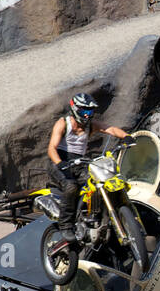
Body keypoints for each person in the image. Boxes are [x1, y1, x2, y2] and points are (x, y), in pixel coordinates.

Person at [47, 93, 129, 241]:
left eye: (90, 112)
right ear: (75, 109)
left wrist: (127, 137)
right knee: (71, 187)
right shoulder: (63, 123)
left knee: (99, 183)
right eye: (84, 111)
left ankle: (98, 216)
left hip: (80, 163)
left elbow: (110, 129)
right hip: (59, 162)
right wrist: (60, 163)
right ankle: (65, 225)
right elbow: (51, 148)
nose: (87, 115)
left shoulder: (91, 125)